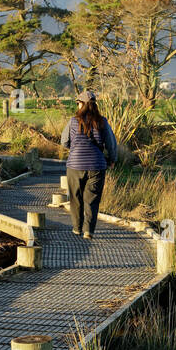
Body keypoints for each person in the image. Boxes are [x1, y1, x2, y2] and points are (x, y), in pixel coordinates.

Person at [59, 91, 117, 239]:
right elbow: (111, 144)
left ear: (82, 104)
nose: (77, 105)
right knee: (92, 199)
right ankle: (88, 231)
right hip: (97, 165)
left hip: (75, 165)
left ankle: (77, 228)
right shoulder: (102, 121)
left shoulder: (73, 121)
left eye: (78, 103)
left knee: (75, 197)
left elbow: (64, 141)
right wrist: (112, 160)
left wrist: (75, 148)